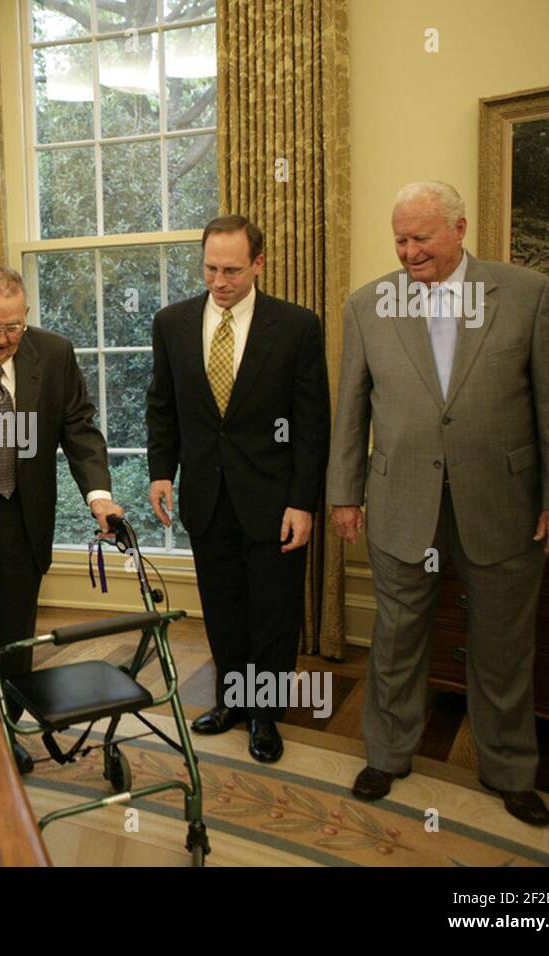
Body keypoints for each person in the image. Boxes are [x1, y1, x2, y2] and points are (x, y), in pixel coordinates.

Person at [326, 181, 549, 826]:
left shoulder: (525, 293)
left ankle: (509, 770)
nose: (409, 252)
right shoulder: (366, 305)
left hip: (502, 502)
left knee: (502, 642)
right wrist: (343, 496)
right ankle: (387, 754)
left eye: (422, 238)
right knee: (396, 638)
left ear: (460, 229)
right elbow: (351, 410)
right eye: (400, 240)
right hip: (401, 498)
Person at [146, 215, 330, 764]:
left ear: (258, 264)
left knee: (272, 613)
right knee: (222, 607)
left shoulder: (296, 326)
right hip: (207, 495)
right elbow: (163, 406)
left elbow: (312, 422)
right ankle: (232, 701)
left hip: (274, 500)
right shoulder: (172, 323)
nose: (219, 280)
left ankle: (264, 715)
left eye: (231, 269)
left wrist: (303, 502)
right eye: (210, 268)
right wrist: (161, 472)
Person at [0, 267, 122, 733]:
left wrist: (99, 497)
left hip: (23, 520)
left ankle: (7, 735)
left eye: (13, 326)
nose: (0, 339)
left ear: (25, 316)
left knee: (15, 640)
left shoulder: (53, 354)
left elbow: (79, 429)